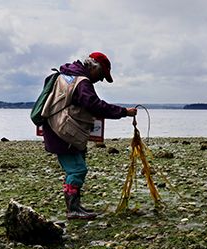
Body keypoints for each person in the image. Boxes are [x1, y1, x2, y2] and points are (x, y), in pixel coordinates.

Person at [41, 52, 137, 219]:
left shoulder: (66, 75)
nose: (100, 80)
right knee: (78, 169)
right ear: (93, 67)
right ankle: (73, 209)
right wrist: (123, 112)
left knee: (75, 168)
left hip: (56, 129)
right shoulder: (82, 82)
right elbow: (94, 105)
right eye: (101, 75)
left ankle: (75, 206)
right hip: (63, 133)